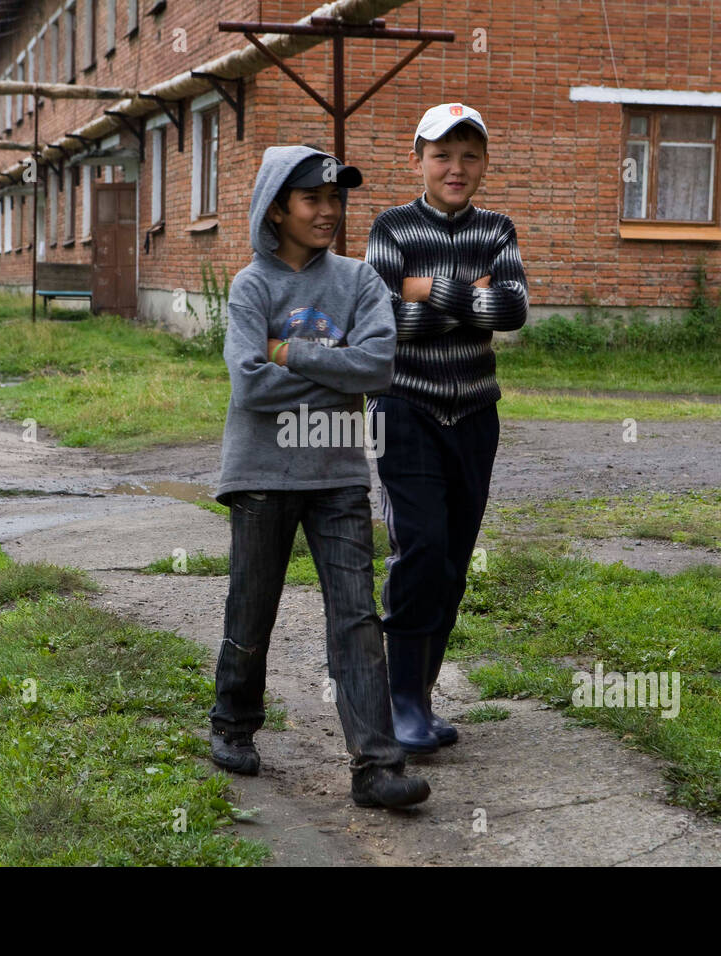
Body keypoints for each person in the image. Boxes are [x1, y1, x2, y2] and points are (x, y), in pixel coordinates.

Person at [208, 144, 431, 808]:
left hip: (336, 470)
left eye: (337, 199)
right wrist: (332, 363)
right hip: (260, 471)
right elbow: (249, 384)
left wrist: (293, 351)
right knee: (252, 608)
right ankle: (233, 722)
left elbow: (377, 369)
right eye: (314, 200)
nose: (329, 212)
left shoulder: (360, 281)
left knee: (357, 617)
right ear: (277, 210)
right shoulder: (252, 286)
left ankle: (376, 766)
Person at [365, 103, 530, 752]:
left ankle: (422, 698)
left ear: (484, 163)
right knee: (422, 547)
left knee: (455, 562)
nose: (455, 168)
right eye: (442, 154)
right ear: (418, 160)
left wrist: (427, 289)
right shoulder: (392, 226)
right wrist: (469, 298)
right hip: (403, 409)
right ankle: (399, 700)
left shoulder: (497, 229)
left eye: (469, 156)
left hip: (475, 417)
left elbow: (511, 308)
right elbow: (380, 324)